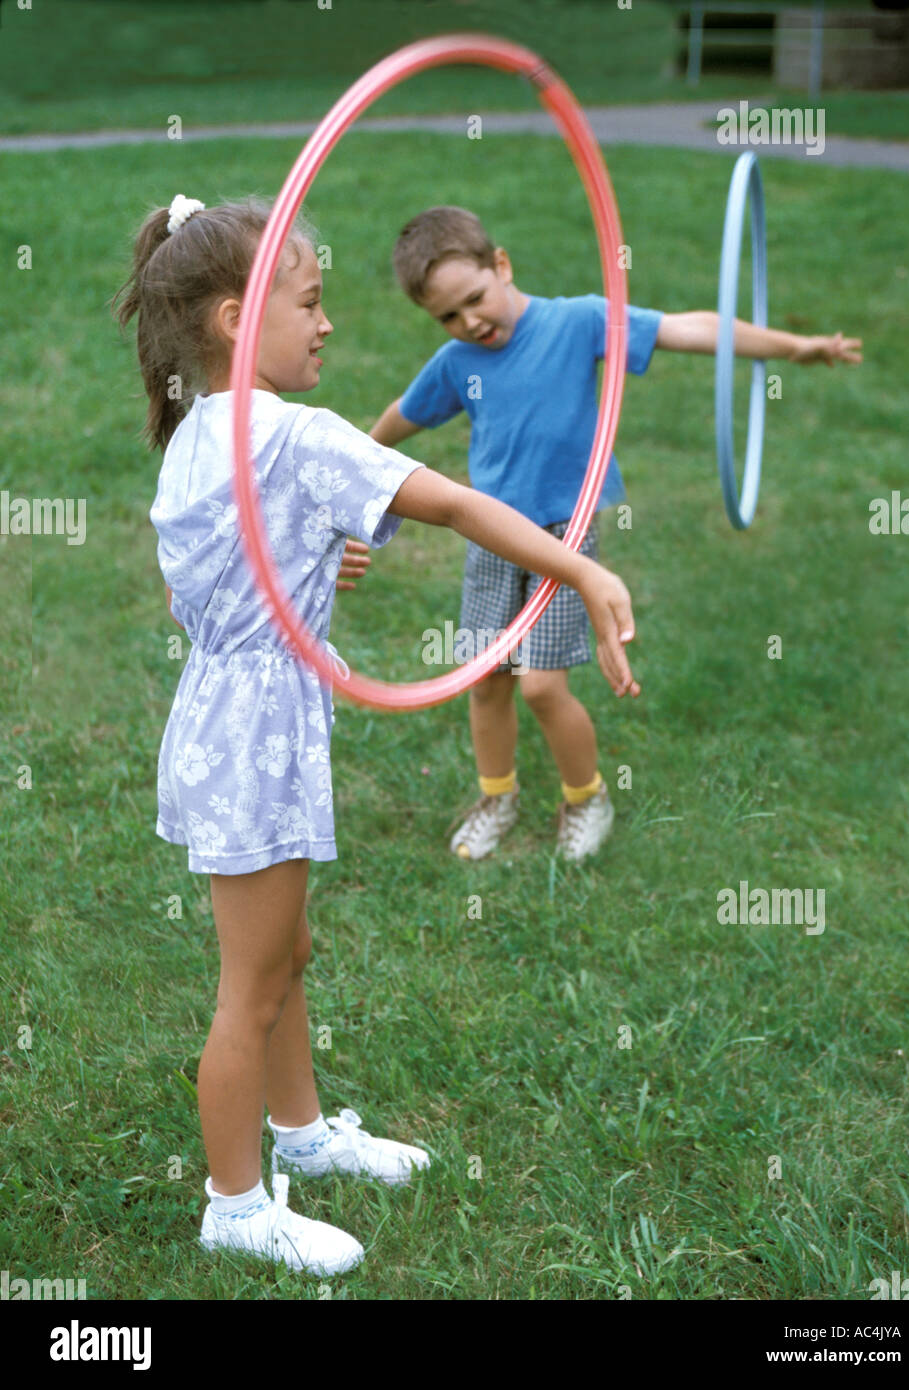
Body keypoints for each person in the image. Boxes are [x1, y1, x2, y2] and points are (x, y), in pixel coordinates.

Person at [111, 193, 640, 1279]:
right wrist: (578, 564)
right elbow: (447, 502)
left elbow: (203, 597)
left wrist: (312, 567)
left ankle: (301, 1134)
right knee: (248, 987)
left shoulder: (199, 435)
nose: (328, 323)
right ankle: (235, 1203)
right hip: (257, 742)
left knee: (284, 955)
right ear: (232, 320)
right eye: (311, 302)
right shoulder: (299, 436)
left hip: (230, 722)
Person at [369, 206, 863, 863]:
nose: (469, 324)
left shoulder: (576, 321)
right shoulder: (457, 361)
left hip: (564, 533)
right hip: (489, 532)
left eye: (474, 300)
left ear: (502, 265)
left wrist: (796, 346)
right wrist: (359, 472)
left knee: (542, 685)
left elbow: (693, 328)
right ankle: (497, 796)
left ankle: (586, 796)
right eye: (448, 317)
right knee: (486, 679)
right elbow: (401, 418)